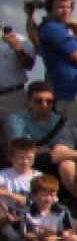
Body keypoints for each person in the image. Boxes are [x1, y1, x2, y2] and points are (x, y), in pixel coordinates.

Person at [5, 81, 63, 173]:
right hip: (26, 161)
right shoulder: (15, 119)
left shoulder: (61, 122)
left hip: (53, 161)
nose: (44, 105)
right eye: (38, 101)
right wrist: (47, 150)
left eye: (49, 101)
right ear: (28, 101)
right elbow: (19, 148)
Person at [0, 22, 37, 158]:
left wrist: (16, 47)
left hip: (13, 96)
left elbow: (29, 64)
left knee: (17, 140)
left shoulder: (19, 39)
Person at [1, 137, 39, 241]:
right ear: (10, 157)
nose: (25, 161)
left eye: (29, 158)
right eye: (21, 158)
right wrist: (12, 195)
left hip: (30, 216)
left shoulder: (38, 177)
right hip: (8, 214)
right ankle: (15, 239)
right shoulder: (4, 175)